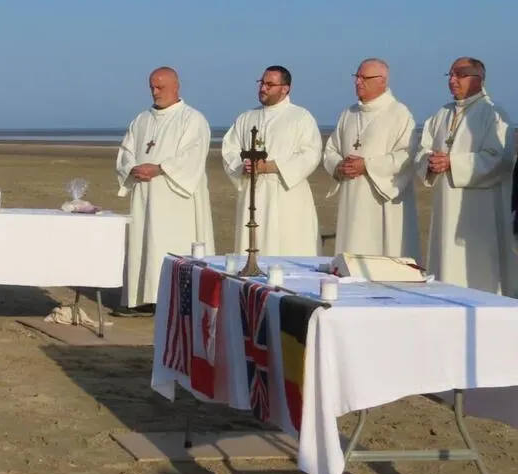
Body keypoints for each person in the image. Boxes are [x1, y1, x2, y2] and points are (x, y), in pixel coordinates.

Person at [114, 66, 215, 316]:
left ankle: (172, 298)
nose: (154, 92)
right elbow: (125, 151)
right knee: (144, 242)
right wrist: (132, 168)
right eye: (152, 87)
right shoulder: (141, 120)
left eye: (160, 87)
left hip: (175, 197)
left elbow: (193, 155)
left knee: (171, 243)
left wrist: (160, 168)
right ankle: (144, 298)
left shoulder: (192, 119)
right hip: (144, 195)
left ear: (176, 86)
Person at [416, 57, 518, 296]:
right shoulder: (442, 113)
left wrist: (452, 162)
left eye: (460, 74)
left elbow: (500, 159)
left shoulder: (492, 113)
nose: (452, 80)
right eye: (450, 74)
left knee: (478, 278)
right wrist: (430, 162)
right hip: (445, 207)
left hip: (479, 214)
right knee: (445, 270)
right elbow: (422, 148)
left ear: (478, 79)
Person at [321, 58, 420, 258]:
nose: (358, 82)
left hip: (382, 198)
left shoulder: (399, 114)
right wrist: (339, 165)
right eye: (356, 77)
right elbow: (330, 149)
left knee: (382, 254)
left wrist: (366, 166)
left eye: (364, 78)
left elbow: (407, 155)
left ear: (382, 81)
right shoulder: (348, 113)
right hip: (351, 196)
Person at [220, 65, 322, 256]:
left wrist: (271, 167)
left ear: (285, 88)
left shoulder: (300, 117)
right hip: (253, 193)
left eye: (269, 84)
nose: (263, 88)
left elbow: (311, 153)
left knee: (288, 245)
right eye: (261, 83)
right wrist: (242, 166)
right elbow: (229, 149)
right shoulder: (246, 117)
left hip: (286, 194)